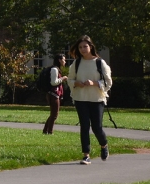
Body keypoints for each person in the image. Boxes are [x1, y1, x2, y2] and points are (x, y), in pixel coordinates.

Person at [70, 35, 112, 164]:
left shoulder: (100, 62)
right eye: (80, 47)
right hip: (80, 99)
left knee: (96, 127)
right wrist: (76, 83)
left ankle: (104, 145)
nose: (83, 49)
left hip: (97, 99)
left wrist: (94, 83)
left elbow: (108, 82)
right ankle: (86, 155)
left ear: (91, 47)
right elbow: (70, 79)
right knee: (84, 126)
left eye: (85, 46)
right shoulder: (76, 63)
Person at [42, 54, 69, 135]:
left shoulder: (56, 69)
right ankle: (50, 131)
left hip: (54, 94)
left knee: (53, 114)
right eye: (64, 60)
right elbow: (53, 83)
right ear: (59, 60)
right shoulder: (54, 69)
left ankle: (45, 130)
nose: (65, 61)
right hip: (53, 94)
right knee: (54, 114)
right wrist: (63, 78)